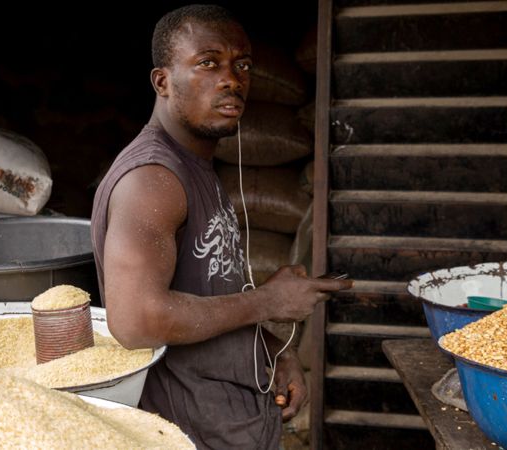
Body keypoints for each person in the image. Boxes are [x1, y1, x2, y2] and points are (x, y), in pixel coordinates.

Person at [90, 5, 353, 449]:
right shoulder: (151, 181)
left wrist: (274, 349)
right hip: (188, 435)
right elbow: (137, 320)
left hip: (232, 425)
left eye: (242, 65)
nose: (231, 79)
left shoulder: (195, 165)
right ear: (162, 81)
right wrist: (269, 301)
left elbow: (206, 294)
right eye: (208, 63)